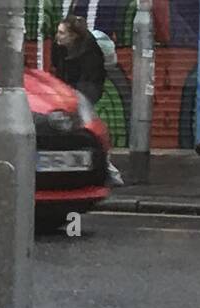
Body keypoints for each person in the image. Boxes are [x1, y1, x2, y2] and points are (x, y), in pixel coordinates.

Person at [51, 15, 124, 186]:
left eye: (62, 33)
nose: (58, 36)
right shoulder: (60, 47)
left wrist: (79, 101)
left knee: (87, 133)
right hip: (68, 93)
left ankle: (109, 172)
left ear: (73, 36)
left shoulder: (90, 52)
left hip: (86, 93)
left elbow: (91, 80)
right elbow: (58, 68)